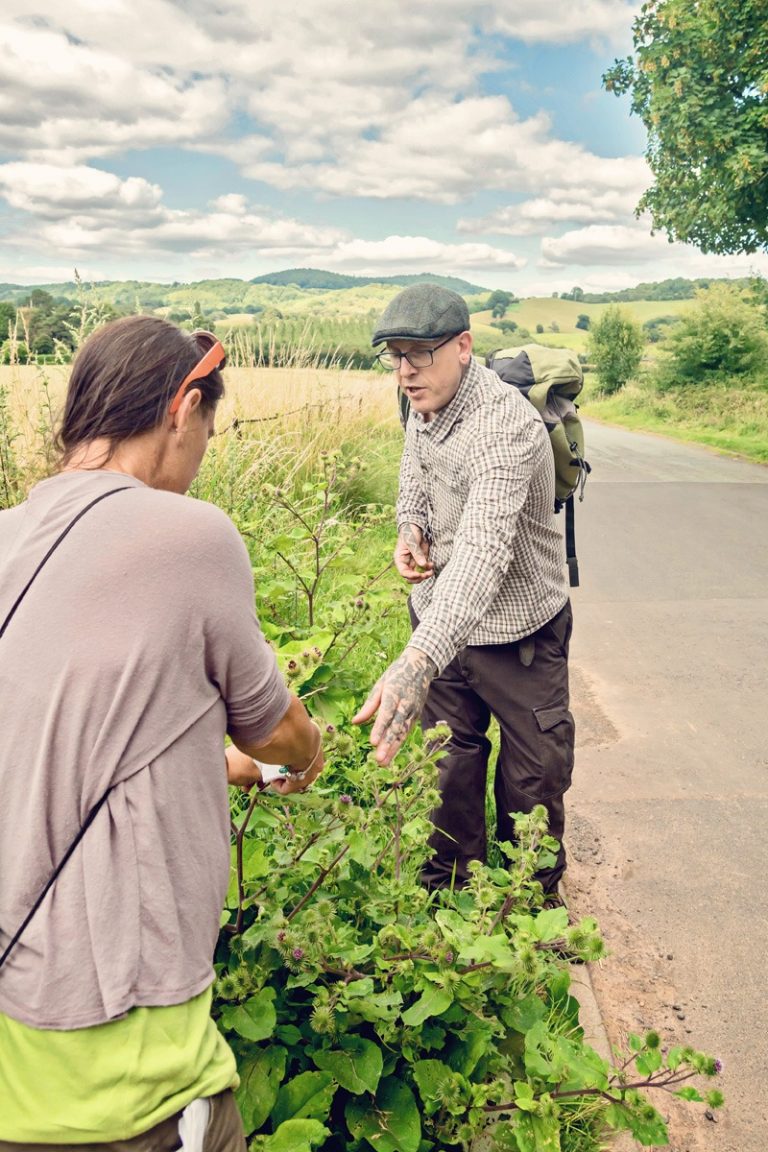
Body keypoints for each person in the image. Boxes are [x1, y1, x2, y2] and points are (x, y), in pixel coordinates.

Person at [0, 316, 324, 1150]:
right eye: (209, 426)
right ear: (183, 409)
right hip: (123, 1063)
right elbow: (277, 732)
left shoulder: (6, 538)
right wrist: (303, 754)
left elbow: (61, 747)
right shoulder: (189, 536)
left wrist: (218, 767)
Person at [354, 284, 574, 895]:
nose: (404, 371)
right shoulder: (423, 402)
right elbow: (414, 474)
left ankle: (529, 903)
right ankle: (447, 897)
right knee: (448, 769)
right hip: (441, 620)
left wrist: (418, 659)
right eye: (395, 355)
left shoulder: (506, 426)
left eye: (418, 353)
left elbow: (483, 551)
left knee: (534, 779)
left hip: (520, 633)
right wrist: (411, 527)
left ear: (463, 347)